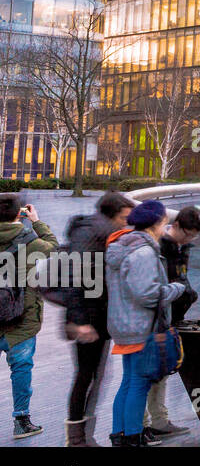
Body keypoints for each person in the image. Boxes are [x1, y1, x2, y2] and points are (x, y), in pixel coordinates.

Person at [104, 201, 187, 447]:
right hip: (140, 325)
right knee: (139, 383)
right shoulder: (143, 252)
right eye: (164, 223)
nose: (165, 228)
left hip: (124, 324)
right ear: (155, 224)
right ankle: (132, 436)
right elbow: (147, 294)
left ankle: (119, 434)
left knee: (129, 381)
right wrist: (175, 288)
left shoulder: (122, 246)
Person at [62, 191, 134, 447]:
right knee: (86, 376)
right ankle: (77, 439)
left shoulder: (99, 232)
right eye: (124, 218)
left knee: (94, 375)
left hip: (96, 316)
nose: (127, 224)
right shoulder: (90, 234)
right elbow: (75, 279)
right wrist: (80, 321)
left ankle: (83, 436)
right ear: (112, 215)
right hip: (88, 318)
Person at [0, 195, 58, 439]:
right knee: (21, 368)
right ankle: (21, 421)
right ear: (19, 213)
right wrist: (36, 222)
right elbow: (53, 246)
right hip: (21, 318)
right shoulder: (31, 241)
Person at [142, 206, 200, 439]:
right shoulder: (160, 248)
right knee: (147, 373)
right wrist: (183, 292)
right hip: (156, 320)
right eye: (188, 235)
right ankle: (143, 424)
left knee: (161, 371)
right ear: (175, 226)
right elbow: (160, 287)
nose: (189, 240)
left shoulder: (179, 248)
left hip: (169, 318)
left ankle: (158, 420)